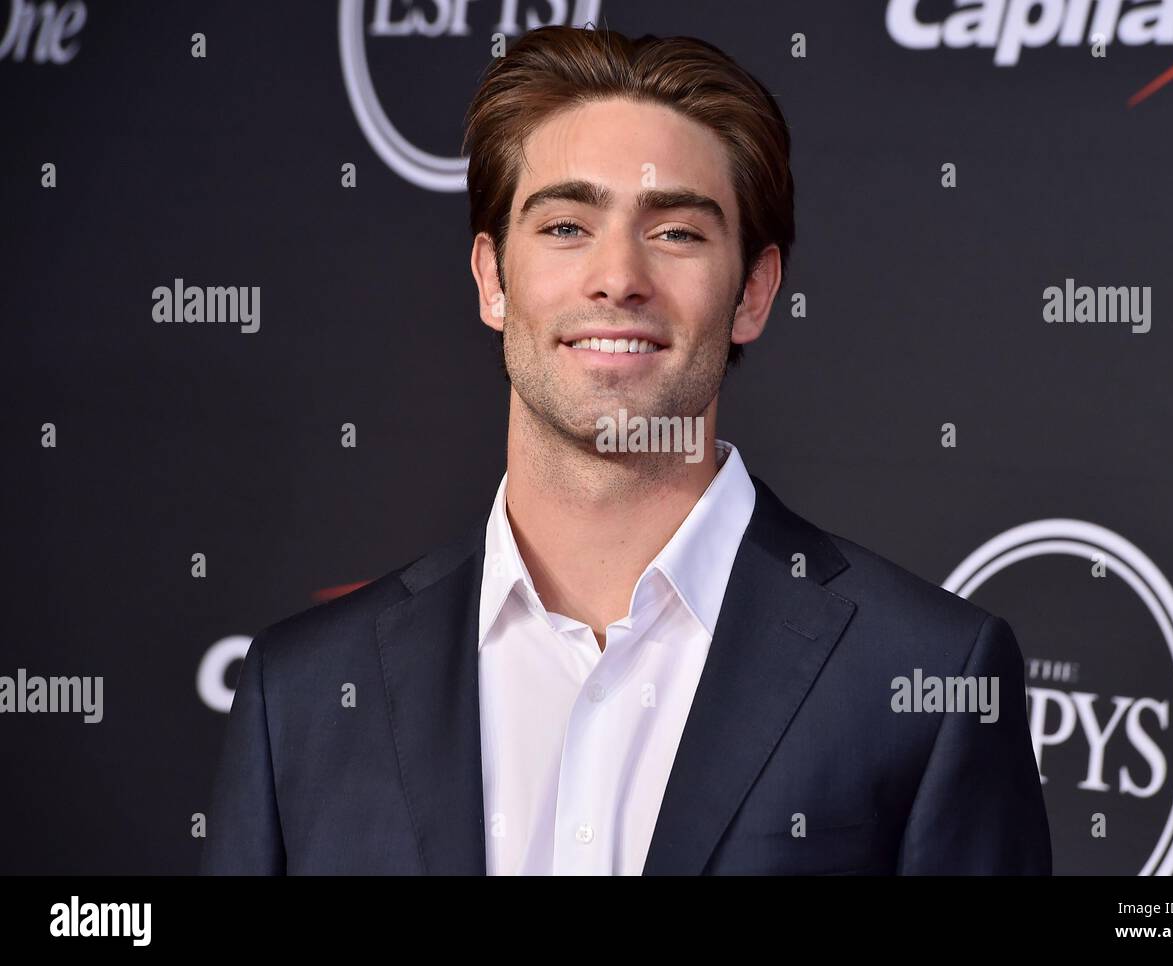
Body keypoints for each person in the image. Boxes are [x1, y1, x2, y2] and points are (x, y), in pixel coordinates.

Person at [201, 24, 1051, 876]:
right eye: (567, 226)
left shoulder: (926, 676)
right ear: (493, 280)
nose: (618, 276)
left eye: (677, 231)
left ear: (753, 293)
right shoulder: (304, 691)